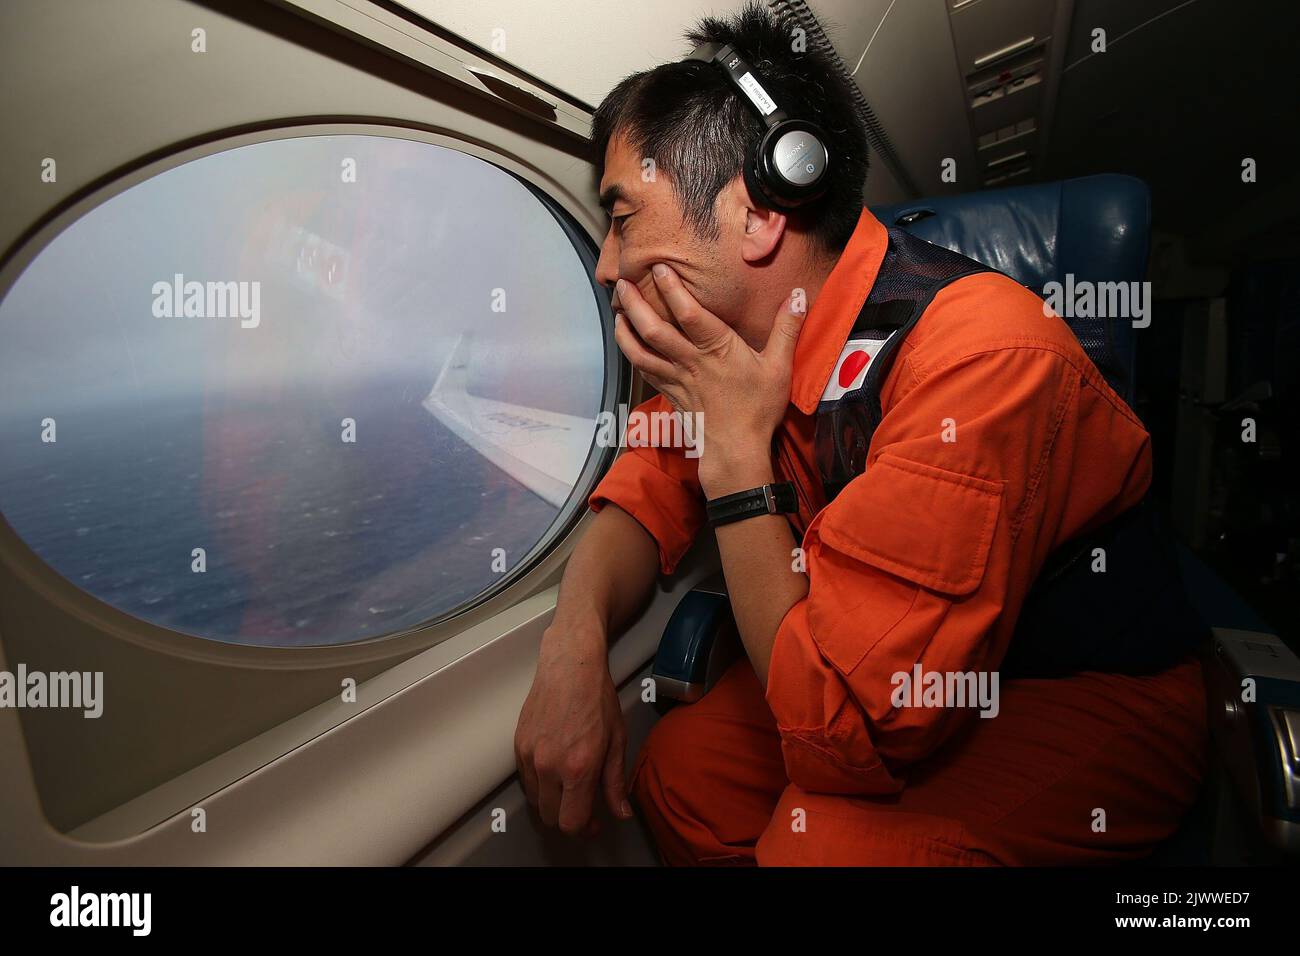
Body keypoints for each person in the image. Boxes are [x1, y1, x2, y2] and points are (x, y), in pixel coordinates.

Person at [513, 2, 1206, 865]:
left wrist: (734, 457)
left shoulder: (981, 355)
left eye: (622, 220)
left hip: (1083, 686)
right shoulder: (732, 356)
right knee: (679, 780)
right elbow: (640, 496)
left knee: (826, 853)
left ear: (760, 215)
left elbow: (859, 737)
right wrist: (574, 641)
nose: (607, 267)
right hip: (868, 664)